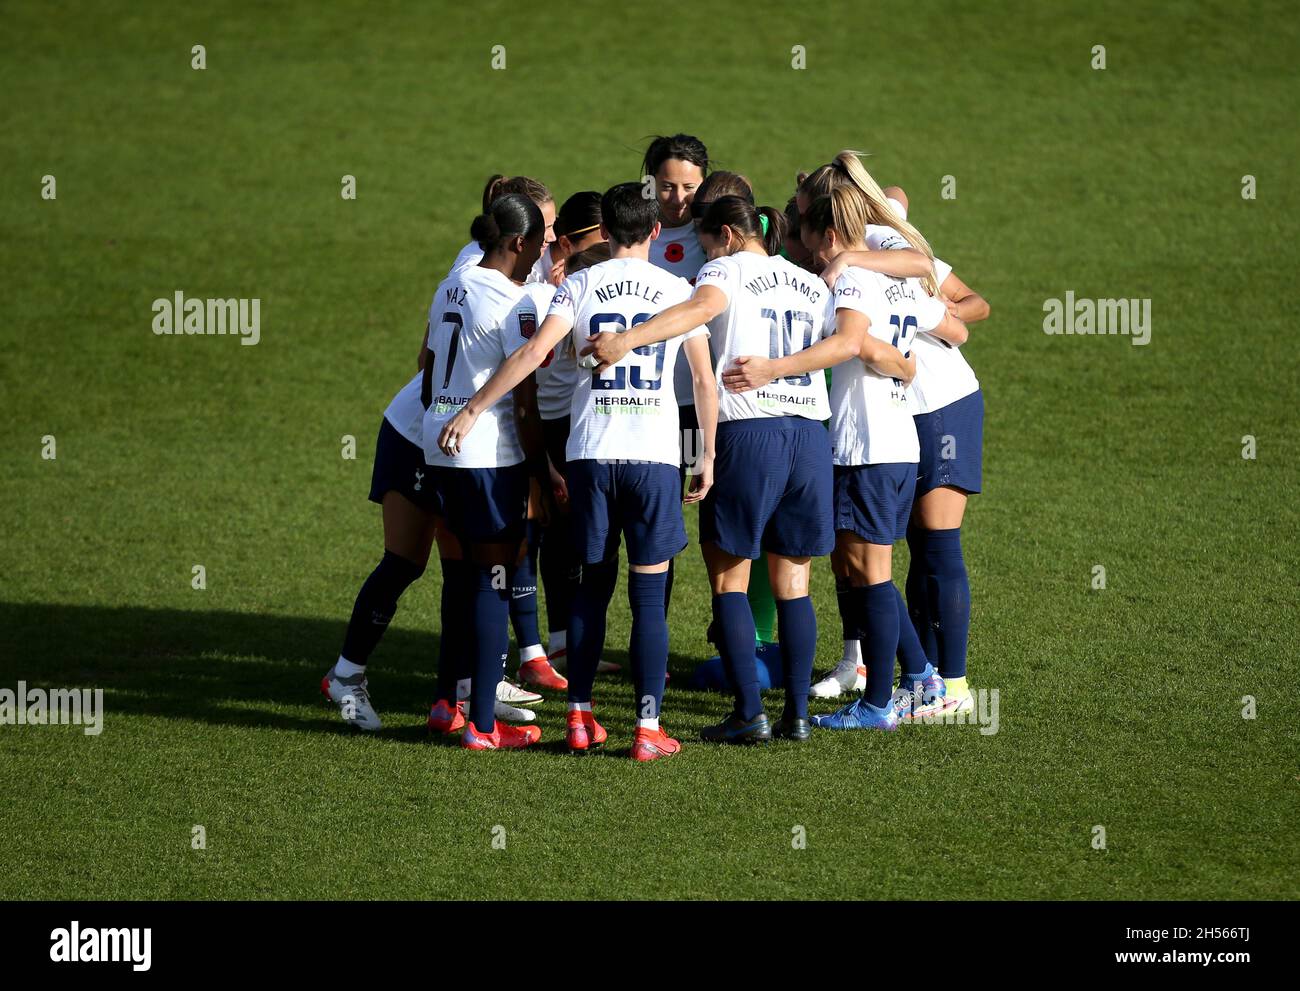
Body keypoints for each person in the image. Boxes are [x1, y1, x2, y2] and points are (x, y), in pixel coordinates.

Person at [437, 182, 717, 761]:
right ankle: (646, 728)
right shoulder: (678, 289)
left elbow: (533, 356)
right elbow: (704, 380)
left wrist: (472, 407)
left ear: (605, 232)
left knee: (590, 585)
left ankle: (579, 717)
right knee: (648, 591)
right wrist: (706, 454)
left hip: (590, 452)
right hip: (654, 455)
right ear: (656, 232)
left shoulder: (577, 285)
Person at [583, 196, 859, 743]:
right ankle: (797, 715)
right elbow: (840, 344)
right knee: (795, 583)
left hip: (747, 434)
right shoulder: (807, 280)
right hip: (808, 436)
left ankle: (749, 713)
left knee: (729, 580)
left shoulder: (724, 269)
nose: (703, 254)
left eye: (707, 242)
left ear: (727, 236)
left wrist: (626, 338)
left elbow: (698, 311)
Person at [799, 187, 966, 730]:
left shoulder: (847, 281)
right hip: (898, 442)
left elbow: (854, 344)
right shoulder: (893, 282)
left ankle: (878, 703)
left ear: (828, 235)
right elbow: (958, 328)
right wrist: (907, 364)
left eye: (808, 236)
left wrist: (882, 355)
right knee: (859, 567)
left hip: (863, 444)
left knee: (868, 573)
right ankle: (919, 677)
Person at [420, 192, 550, 751]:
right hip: (487, 454)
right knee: (494, 581)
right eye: (541, 244)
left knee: (463, 578)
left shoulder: (452, 282)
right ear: (518, 244)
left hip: (437, 443)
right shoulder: (513, 302)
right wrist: (541, 465)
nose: (543, 254)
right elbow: (522, 399)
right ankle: (482, 726)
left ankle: (447, 704)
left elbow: (427, 369)